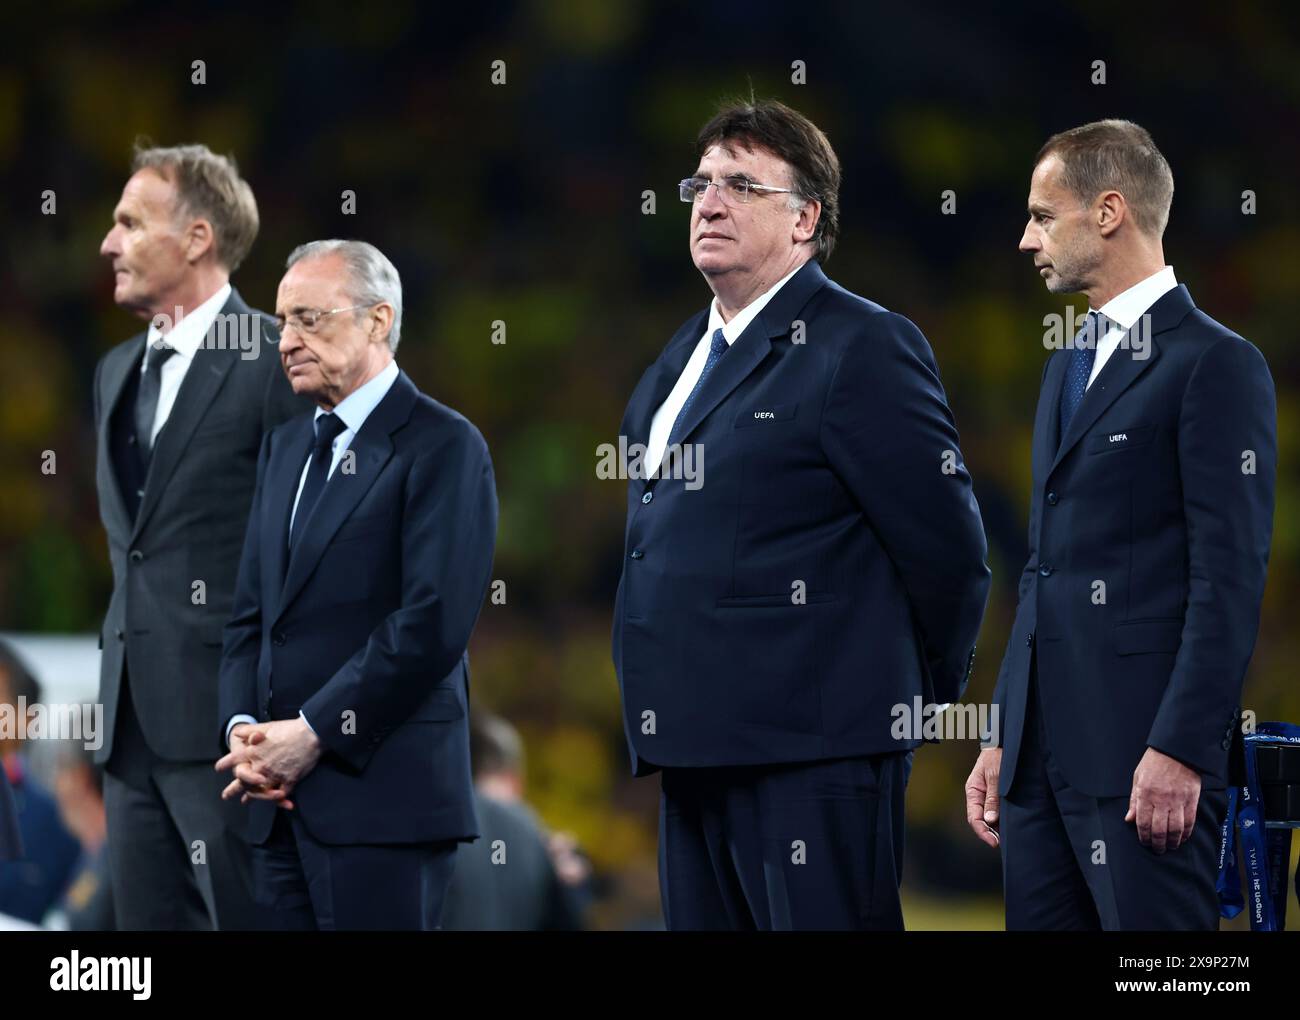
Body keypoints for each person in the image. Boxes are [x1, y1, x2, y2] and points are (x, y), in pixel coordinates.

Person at [611, 99, 990, 930]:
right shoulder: (676, 359)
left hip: (813, 753)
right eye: (701, 183)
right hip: (692, 746)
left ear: (805, 218)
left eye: (741, 185)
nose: (708, 202)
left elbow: (950, 553)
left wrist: (903, 699)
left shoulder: (863, 344)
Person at [965, 120, 1277, 930]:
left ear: (1109, 211)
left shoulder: (1215, 362)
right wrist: (1005, 732)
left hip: (1146, 765)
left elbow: (1229, 575)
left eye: (1042, 215)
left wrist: (1182, 748)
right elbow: (1043, 566)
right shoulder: (1063, 366)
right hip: (1038, 768)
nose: (1026, 239)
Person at [215, 240, 498, 930]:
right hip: (271, 809)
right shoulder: (285, 449)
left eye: (310, 319)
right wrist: (246, 731)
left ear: (378, 321)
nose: (288, 341)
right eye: (282, 322)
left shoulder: (444, 445)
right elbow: (251, 619)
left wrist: (311, 733)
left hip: (383, 806)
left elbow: (430, 623)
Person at [93, 142, 308, 929]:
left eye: (129, 222)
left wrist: (286, 716)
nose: (108, 243)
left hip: (232, 733)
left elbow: (306, 543)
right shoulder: (114, 372)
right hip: (126, 729)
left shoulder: (273, 357)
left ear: (196, 239)